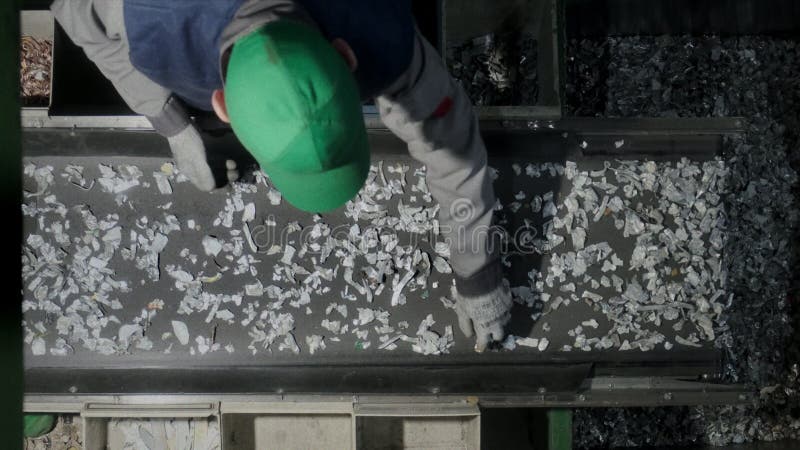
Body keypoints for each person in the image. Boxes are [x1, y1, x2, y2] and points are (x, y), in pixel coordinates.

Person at [52, 0, 513, 352]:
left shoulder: (379, 26)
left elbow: (449, 139)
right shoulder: (148, 14)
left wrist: (479, 269)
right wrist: (166, 116)